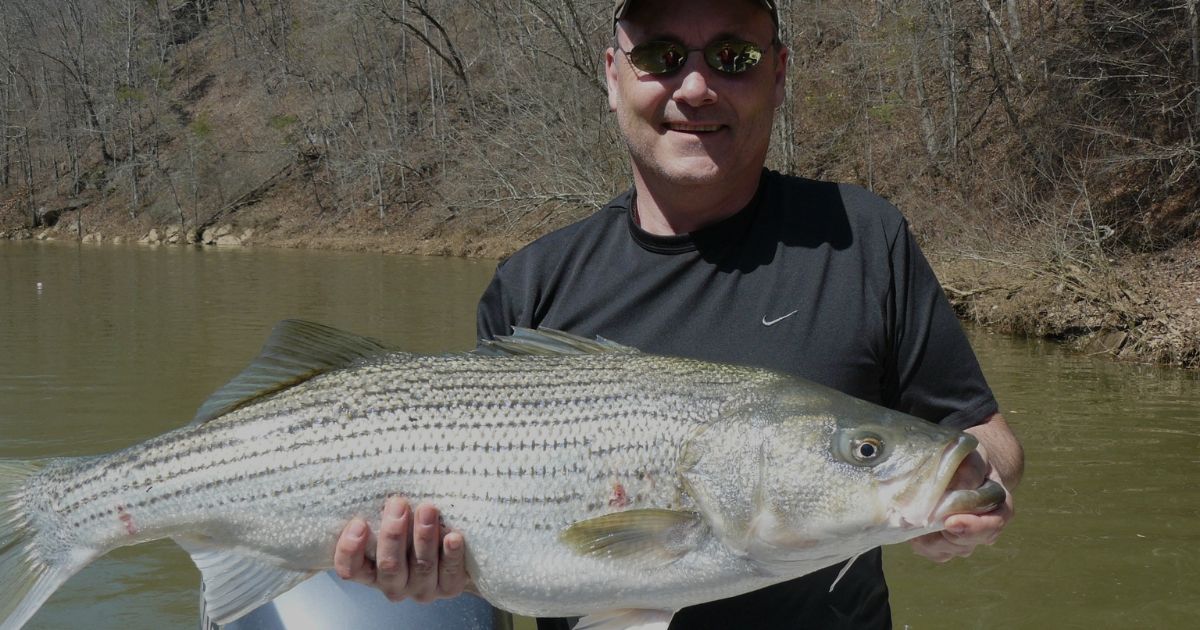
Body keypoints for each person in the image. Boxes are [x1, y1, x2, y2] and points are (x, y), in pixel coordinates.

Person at [332, 0, 1025, 627]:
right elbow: (486, 539)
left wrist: (977, 482)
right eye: (662, 56)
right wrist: (423, 570)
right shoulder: (532, 283)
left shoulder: (862, 237)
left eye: (735, 57)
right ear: (613, 76)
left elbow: (980, 436)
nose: (695, 87)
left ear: (779, 73)